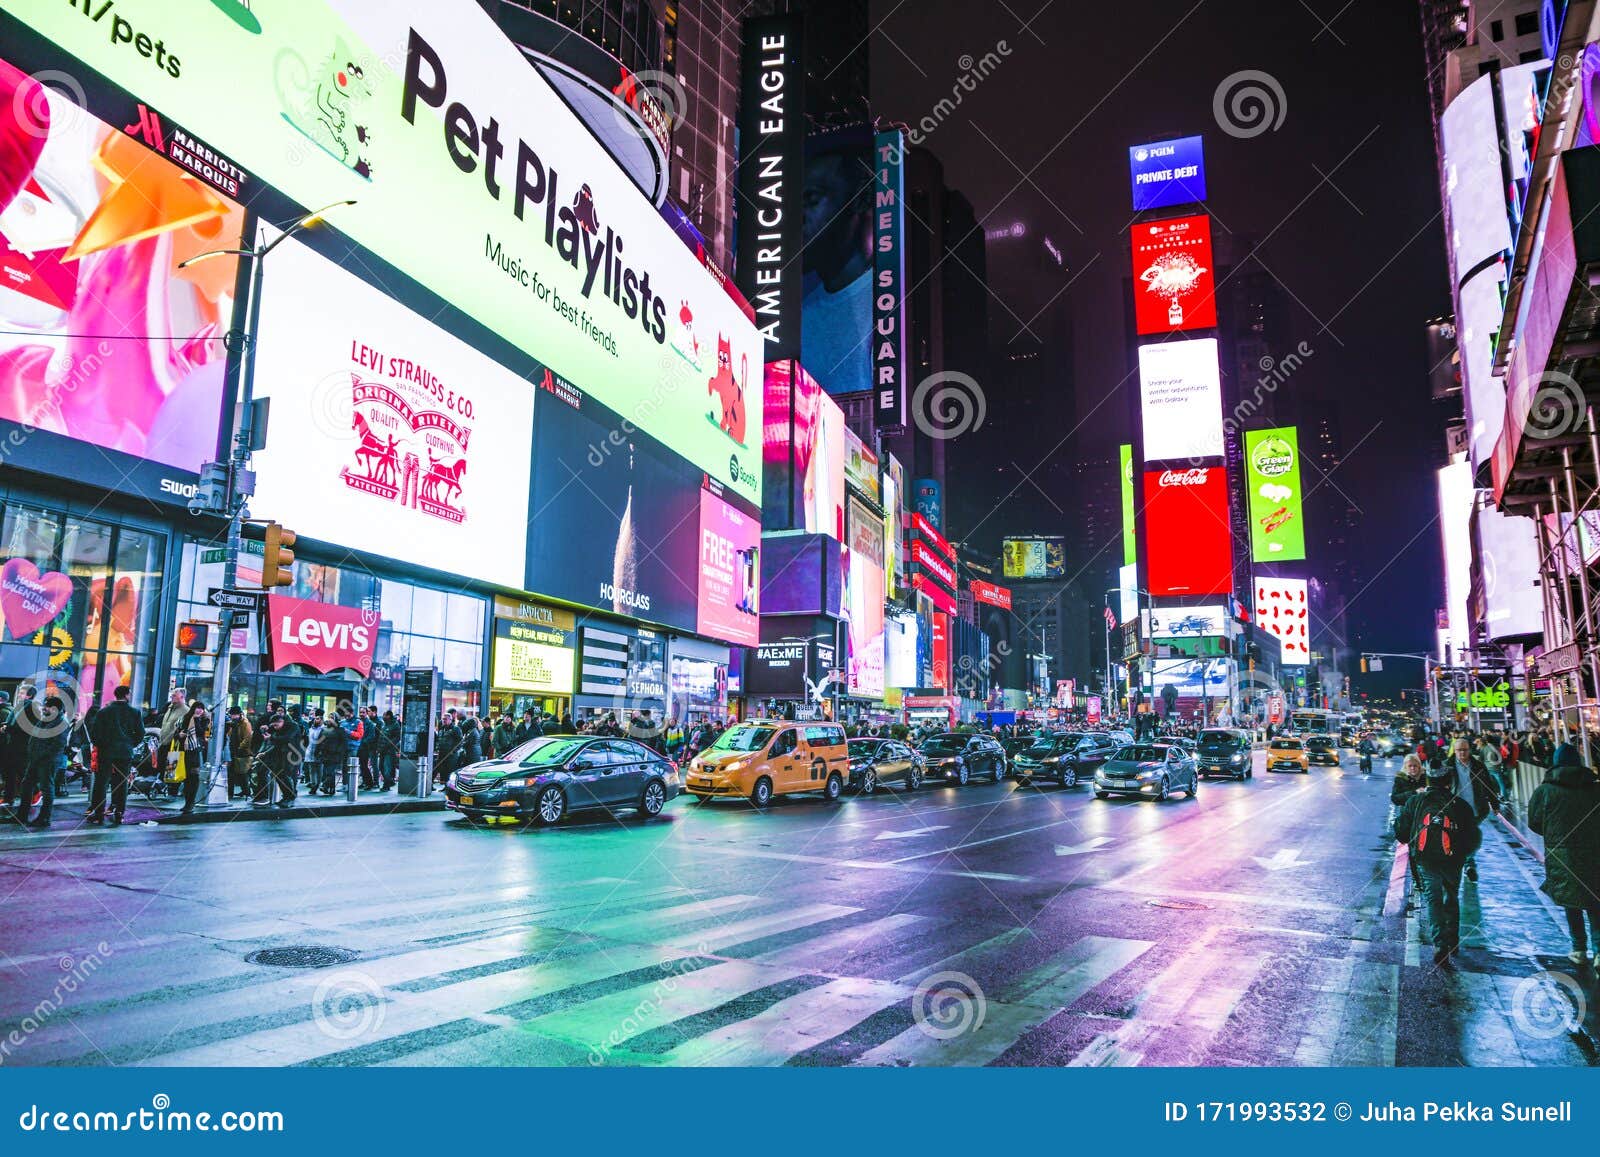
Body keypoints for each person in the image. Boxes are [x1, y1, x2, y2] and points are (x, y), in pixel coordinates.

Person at [1394, 760, 1482, 964]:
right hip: (1453, 860)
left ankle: (1440, 942)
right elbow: (1473, 837)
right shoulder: (1460, 805)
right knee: (1450, 896)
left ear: (1429, 779)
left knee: (1432, 899)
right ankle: (1453, 940)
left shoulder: (1416, 802)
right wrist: (1461, 854)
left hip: (1426, 859)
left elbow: (1401, 832)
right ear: (1448, 782)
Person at [1527, 743, 1600, 965]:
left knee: (1572, 901)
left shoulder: (1544, 791)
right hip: (1593, 853)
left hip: (1561, 855)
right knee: (1595, 901)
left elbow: (1535, 822)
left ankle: (1579, 949)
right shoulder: (1595, 789)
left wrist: (1554, 836)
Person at [88, 684, 145, 826]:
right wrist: (130, 744)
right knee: (121, 783)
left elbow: (94, 733)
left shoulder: (104, 712)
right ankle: (119, 812)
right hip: (125, 752)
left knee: (101, 783)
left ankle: (98, 813)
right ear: (126, 695)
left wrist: (102, 745)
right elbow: (140, 734)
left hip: (106, 751)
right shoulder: (134, 712)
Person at [1448, 737, 1500, 882]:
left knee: (1469, 838)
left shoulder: (1478, 766)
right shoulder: (1448, 766)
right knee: (1459, 838)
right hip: (1454, 810)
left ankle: (1468, 863)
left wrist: (1495, 804)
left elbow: (1489, 785)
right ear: (1455, 751)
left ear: (1469, 750)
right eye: (1459, 750)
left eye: (1465, 750)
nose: (1462, 753)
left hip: (1475, 809)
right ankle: (1466, 863)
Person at [16, 694, 68, 828]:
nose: (43, 709)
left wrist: (41, 755)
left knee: (47, 788)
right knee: (27, 784)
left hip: (47, 761)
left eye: (46, 707)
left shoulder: (61, 723)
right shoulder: (46, 720)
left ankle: (44, 818)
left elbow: (57, 746)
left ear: (54, 709)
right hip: (36, 759)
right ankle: (22, 814)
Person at [177, 698, 210, 817]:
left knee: (194, 777)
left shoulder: (205, 720)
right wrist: (179, 735)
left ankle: (191, 803)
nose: (200, 710)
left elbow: (202, 733)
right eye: (198, 708)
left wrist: (196, 720)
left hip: (196, 751)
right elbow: (178, 731)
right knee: (186, 778)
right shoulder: (185, 718)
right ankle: (187, 803)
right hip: (184, 750)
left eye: (202, 708)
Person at [225, 707, 254, 799]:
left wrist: (240, 748)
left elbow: (247, 738)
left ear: (240, 714)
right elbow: (229, 734)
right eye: (232, 715)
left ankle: (246, 792)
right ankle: (231, 793)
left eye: (235, 715)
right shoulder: (234, 723)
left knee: (242, 772)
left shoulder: (245, 723)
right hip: (233, 750)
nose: (233, 716)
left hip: (242, 752)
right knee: (232, 773)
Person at [377, 710, 401, 790]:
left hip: (389, 751)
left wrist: (389, 744)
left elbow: (397, 737)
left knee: (387, 768)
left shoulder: (395, 725)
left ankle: (386, 785)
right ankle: (390, 781)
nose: (383, 717)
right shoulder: (384, 725)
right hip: (382, 750)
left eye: (384, 715)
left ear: (388, 716)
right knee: (381, 767)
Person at [357, 705, 379, 788]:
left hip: (365, 747)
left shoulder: (369, 723)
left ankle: (369, 782)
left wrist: (363, 742)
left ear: (366, 713)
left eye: (363, 712)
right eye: (360, 712)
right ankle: (365, 782)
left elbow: (371, 736)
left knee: (364, 765)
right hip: (358, 746)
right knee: (361, 765)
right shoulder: (358, 722)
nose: (361, 714)